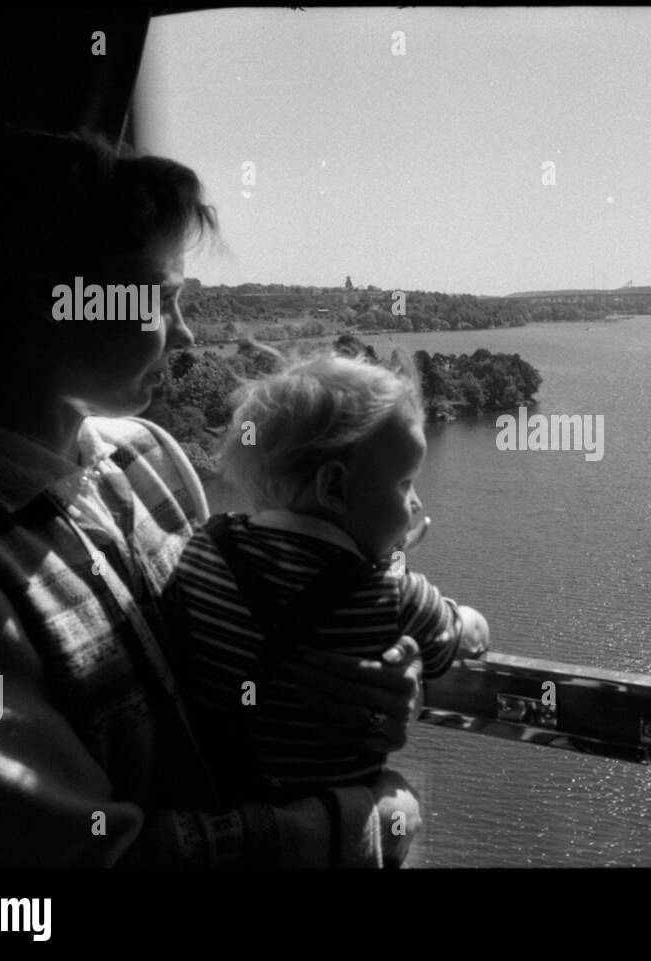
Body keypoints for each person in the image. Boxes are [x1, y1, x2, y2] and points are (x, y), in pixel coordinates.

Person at [0, 127, 425, 867]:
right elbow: (84, 864)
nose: (185, 337)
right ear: (56, 300)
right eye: (161, 298)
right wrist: (359, 823)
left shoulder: (149, 456)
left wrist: (348, 679)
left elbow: (219, 674)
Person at [169, 349, 490, 865]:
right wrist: (468, 619)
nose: (416, 505)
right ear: (335, 487)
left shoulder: (207, 548)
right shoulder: (392, 591)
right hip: (333, 823)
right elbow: (460, 637)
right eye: (405, 484)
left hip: (214, 803)